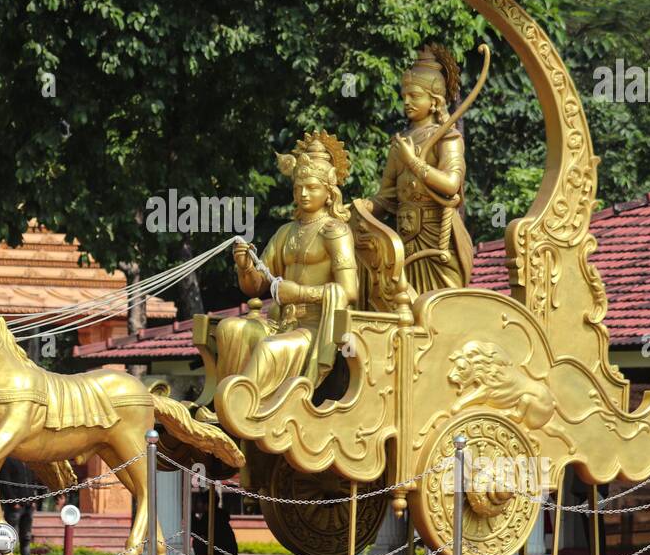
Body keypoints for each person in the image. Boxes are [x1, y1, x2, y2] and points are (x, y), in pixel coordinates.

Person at [202, 131, 359, 411]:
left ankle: (240, 409)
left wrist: (299, 293)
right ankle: (221, 405)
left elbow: (349, 290)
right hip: (279, 321)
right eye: (298, 187)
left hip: (314, 327)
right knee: (230, 328)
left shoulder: (335, 231)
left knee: (268, 348)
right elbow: (255, 287)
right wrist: (245, 266)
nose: (303, 193)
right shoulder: (285, 232)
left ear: (328, 192)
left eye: (311, 187)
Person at [364, 44, 474, 294]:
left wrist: (413, 162)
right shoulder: (401, 142)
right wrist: (361, 209)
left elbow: (451, 184)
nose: (407, 102)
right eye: (404, 96)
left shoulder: (447, 138)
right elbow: (387, 196)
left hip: (438, 240)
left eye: (414, 96)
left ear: (434, 100)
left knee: (442, 307)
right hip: (403, 238)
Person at [0, 457, 41, 555]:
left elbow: (32, 482)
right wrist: (13, 501)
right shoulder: (8, 461)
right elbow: (4, 481)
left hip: (29, 504)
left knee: (26, 536)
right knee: (11, 535)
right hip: (15, 506)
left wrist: (34, 500)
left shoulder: (28, 462)